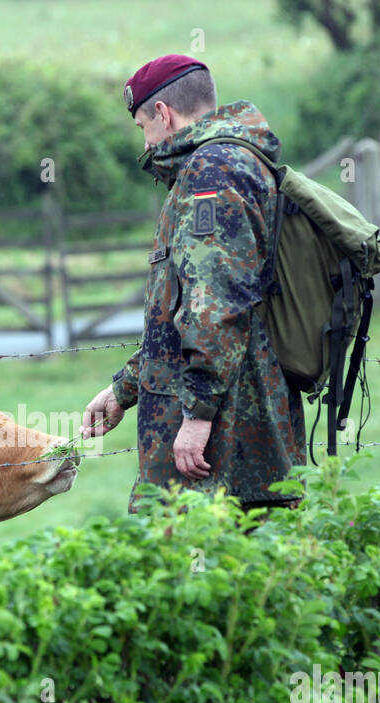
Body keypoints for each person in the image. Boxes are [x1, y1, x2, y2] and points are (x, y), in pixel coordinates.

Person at [80, 54, 305, 516]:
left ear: (163, 114)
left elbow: (216, 303)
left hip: (223, 447)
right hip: (236, 431)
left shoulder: (211, 173)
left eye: (143, 126)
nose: (145, 142)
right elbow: (181, 312)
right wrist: (124, 389)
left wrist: (198, 416)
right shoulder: (228, 163)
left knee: (195, 570)